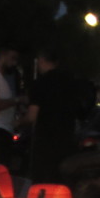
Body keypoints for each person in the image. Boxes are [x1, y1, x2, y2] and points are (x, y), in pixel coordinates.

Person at [25, 47, 81, 184]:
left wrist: (18, 122)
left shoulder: (40, 83)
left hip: (45, 141)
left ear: (42, 60)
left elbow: (32, 116)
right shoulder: (71, 82)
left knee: (43, 182)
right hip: (67, 138)